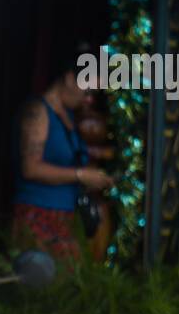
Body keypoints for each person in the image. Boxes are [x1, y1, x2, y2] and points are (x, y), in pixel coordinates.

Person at [13, 43, 114, 260]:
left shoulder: (69, 115)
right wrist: (79, 175)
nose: (89, 99)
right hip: (38, 216)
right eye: (87, 91)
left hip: (66, 218)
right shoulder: (38, 111)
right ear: (70, 78)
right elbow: (30, 168)